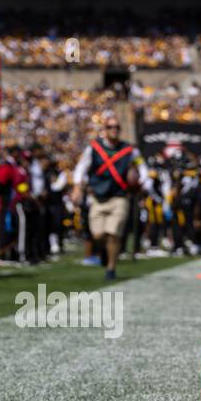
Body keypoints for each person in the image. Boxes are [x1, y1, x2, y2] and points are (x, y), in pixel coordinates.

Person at [72, 114, 148, 281]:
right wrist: (77, 188)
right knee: (98, 234)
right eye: (110, 127)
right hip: (98, 197)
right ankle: (106, 252)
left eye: (117, 127)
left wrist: (140, 183)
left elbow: (143, 169)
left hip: (119, 197)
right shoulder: (93, 148)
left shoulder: (130, 150)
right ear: (104, 130)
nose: (114, 130)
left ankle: (111, 267)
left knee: (114, 233)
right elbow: (80, 168)